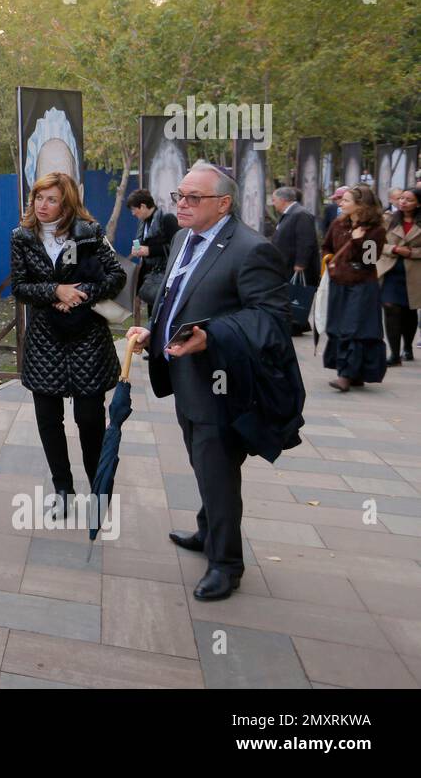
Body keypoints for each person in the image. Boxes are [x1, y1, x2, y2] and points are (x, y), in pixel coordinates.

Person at [126, 162, 289, 601]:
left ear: (223, 203)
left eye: (193, 198)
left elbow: (272, 321)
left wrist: (210, 338)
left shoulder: (251, 249)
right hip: (186, 376)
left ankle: (226, 564)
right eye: (179, 195)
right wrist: (152, 333)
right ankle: (207, 531)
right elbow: (176, 298)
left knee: (217, 472)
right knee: (204, 464)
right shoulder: (183, 237)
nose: (181, 204)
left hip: (221, 383)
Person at [10, 172, 125, 513]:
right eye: (38, 198)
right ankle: (63, 491)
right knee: (49, 419)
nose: (42, 206)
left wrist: (79, 293)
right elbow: (19, 287)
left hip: (87, 337)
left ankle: (98, 491)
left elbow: (116, 277)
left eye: (51, 200)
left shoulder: (89, 233)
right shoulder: (22, 237)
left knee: (90, 420)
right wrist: (53, 291)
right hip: (45, 340)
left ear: (67, 202)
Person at [321, 185, 388, 391]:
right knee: (337, 326)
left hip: (361, 285)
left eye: (346, 201)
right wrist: (329, 261)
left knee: (355, 328)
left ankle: (346, 374)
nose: (341, 204)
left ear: (361, 205)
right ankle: (353, 372)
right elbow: (327, 246)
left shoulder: (375, 230)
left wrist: (359, 240)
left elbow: (369, 261)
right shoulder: (338, 224)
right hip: (338, 281)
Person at [380, 186, 421, 364]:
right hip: (389, 272)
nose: (403, 202)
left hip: (414, 274)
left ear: (419, 203)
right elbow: (372, 243)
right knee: (390, 308)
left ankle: (408, 347)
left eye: (409, 200)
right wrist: (394, 248)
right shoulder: (387, 219)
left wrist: (411, 253)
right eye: (402, 198)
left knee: (409, 311)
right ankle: (394, 354)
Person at [270, 185, 321, 311]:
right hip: (286, 265)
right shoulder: (289, 214)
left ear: (283, 200)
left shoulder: (301, 214)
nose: (273, 204)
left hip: (296, 268)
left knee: (297, 300)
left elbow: (306, 240)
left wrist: (300, 263)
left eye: (274, 200)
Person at [126, 188, 178, 307]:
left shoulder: (167, 219)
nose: (133, 213)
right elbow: (142, 242)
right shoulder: (143, 223)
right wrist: (138, 249)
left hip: (165, 277)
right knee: (152, 314)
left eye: (134, 209)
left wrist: (150, 251)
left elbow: (178, 247)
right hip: (150, 277)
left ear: (143, 206)